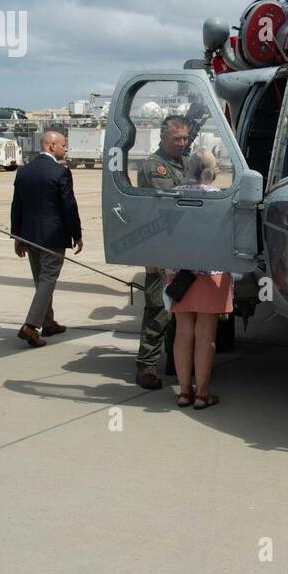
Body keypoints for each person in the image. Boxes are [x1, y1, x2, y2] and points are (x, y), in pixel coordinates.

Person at [166, 155, 232, 409]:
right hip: (211, 273)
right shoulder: (218, 196)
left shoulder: (173, 194)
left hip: (180, 273)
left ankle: (184, 392)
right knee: (206, 336)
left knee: (183, 334)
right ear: (212, 170)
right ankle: (202, 394)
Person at [132, 115, 191, 390]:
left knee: (180, 308)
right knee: (159, 310)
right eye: (176, 138)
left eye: (185, 138)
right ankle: (146, 366)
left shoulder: (185, 162)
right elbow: (172, 202)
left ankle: (175, 364)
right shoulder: (156, 167)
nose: (182, 143)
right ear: (162, 138)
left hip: (180, 247)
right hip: (160, 248)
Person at [10, 129, 83, 348]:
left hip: (30, 236)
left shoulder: (24, 171)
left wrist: (17, 236)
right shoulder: (60, 172)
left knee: (41, 281)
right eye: (63, 145)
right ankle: (31, 326)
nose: (66, 149)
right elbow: (68, 206)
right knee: (48, 280)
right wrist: (77, 234)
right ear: (52, 146)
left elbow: (17, 206)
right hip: (53, 236)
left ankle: (48, 323)